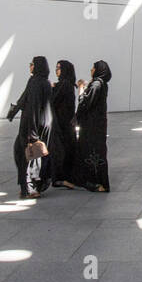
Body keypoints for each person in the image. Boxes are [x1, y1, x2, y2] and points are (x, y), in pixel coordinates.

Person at [7, 56, 52, 199]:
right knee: (27, 155)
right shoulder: (44, 82)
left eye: (32, 64)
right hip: (41, 124)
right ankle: (29, 187)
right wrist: (14, 111)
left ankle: (30, 188)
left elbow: (33, 106)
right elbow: (26, 99)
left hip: (31, 126)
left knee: (27, 156)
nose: (30, 67)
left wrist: (32, 134)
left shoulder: (35, 82)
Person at [75, 60, 111, 192]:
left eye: (93, 68)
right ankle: (98, 182)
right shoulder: (102, 84)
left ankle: (96, 182)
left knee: (91, 151)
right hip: (97, 125)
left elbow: (84, 103)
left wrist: (81, 89)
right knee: (97, 152)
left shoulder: (96, 84)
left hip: (92, 127)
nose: (91, 70)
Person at [49, 60, 79, 189]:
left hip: (62, 124)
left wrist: (51, 89)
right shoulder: (67, 84)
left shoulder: (64, 84)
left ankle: (61, 178)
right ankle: (63, 178)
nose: (56, 70)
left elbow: (53, 100)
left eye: (59, 68)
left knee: (61, 151)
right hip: (66, 124)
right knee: (65, 150)